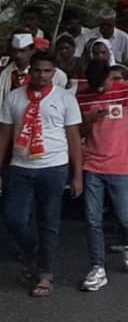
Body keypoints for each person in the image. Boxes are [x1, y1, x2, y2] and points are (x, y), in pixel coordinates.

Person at [0, 51, 83, 296]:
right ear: (30, 71)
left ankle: (45, 274)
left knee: (49, 220)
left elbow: (74, 138)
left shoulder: (65, 98)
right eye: (37, 70)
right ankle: (33, 251)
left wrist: (77, 174)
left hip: (54, 166)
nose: (42, 75)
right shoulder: (14, 97)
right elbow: (4, 135)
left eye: (47, 71)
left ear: (54, 72)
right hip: (20, 165)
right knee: (13, 218)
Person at [76, 60, 128, 290]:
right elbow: (77, 131)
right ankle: (97, 267)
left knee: (125, 217)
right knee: (92, 219)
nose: (99, 89)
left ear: (110, 76)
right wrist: (90, 120)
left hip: (121, 166)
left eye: (103, 84)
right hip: (92, 165)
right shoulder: (82, 96)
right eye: (95, 86)